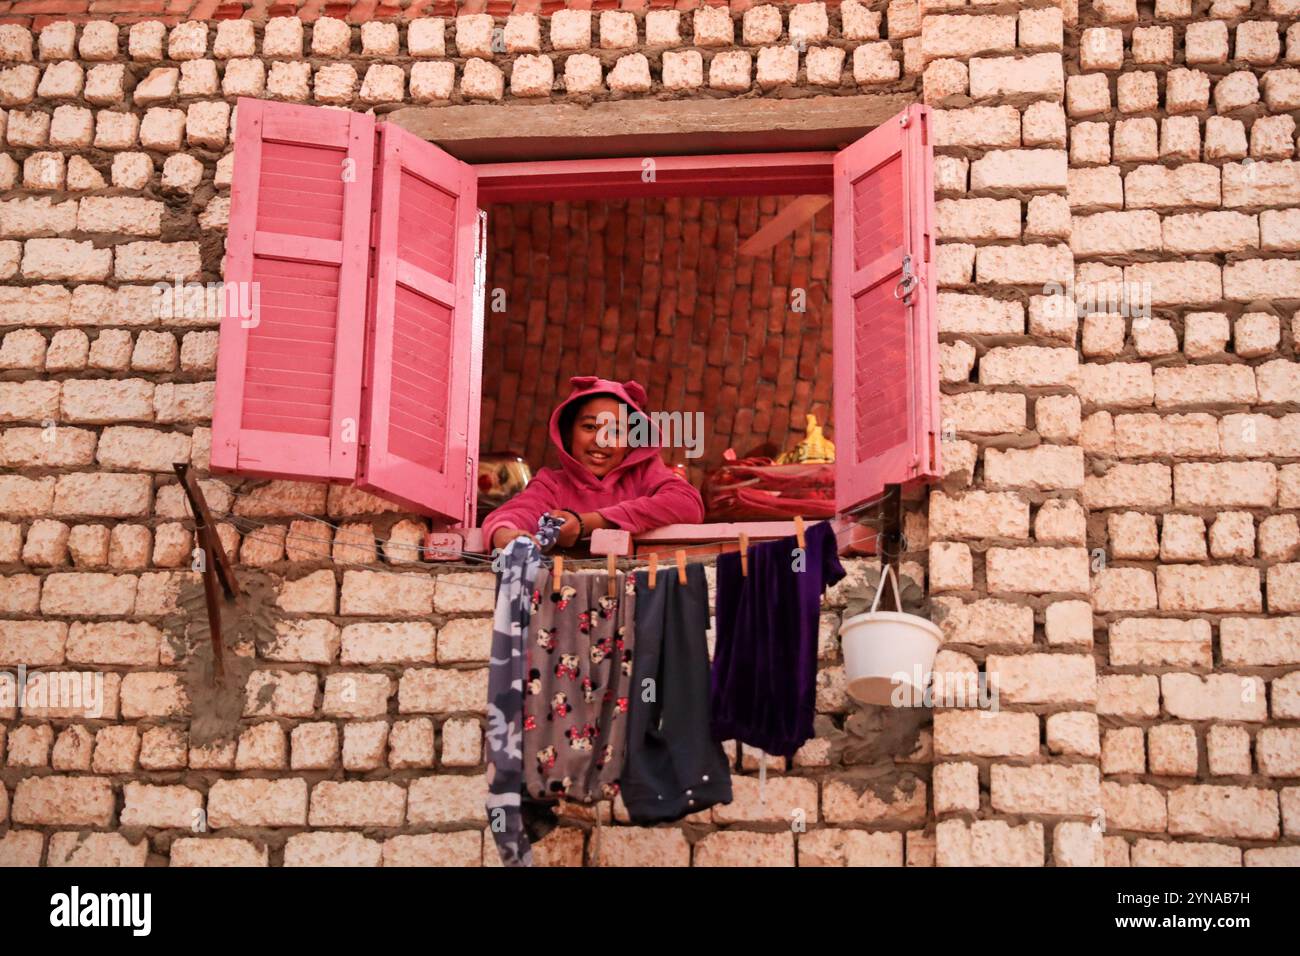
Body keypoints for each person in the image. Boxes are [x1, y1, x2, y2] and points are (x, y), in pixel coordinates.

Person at [481, 376, 705, 551]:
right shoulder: (552, 484)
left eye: (616, 431)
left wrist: (590, 522)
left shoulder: (644, 473)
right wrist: (505, 534)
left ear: (630, 443)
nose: (601, 440)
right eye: (589, 427)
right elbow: (518, 512)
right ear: (568, 434)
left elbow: (688, 504)